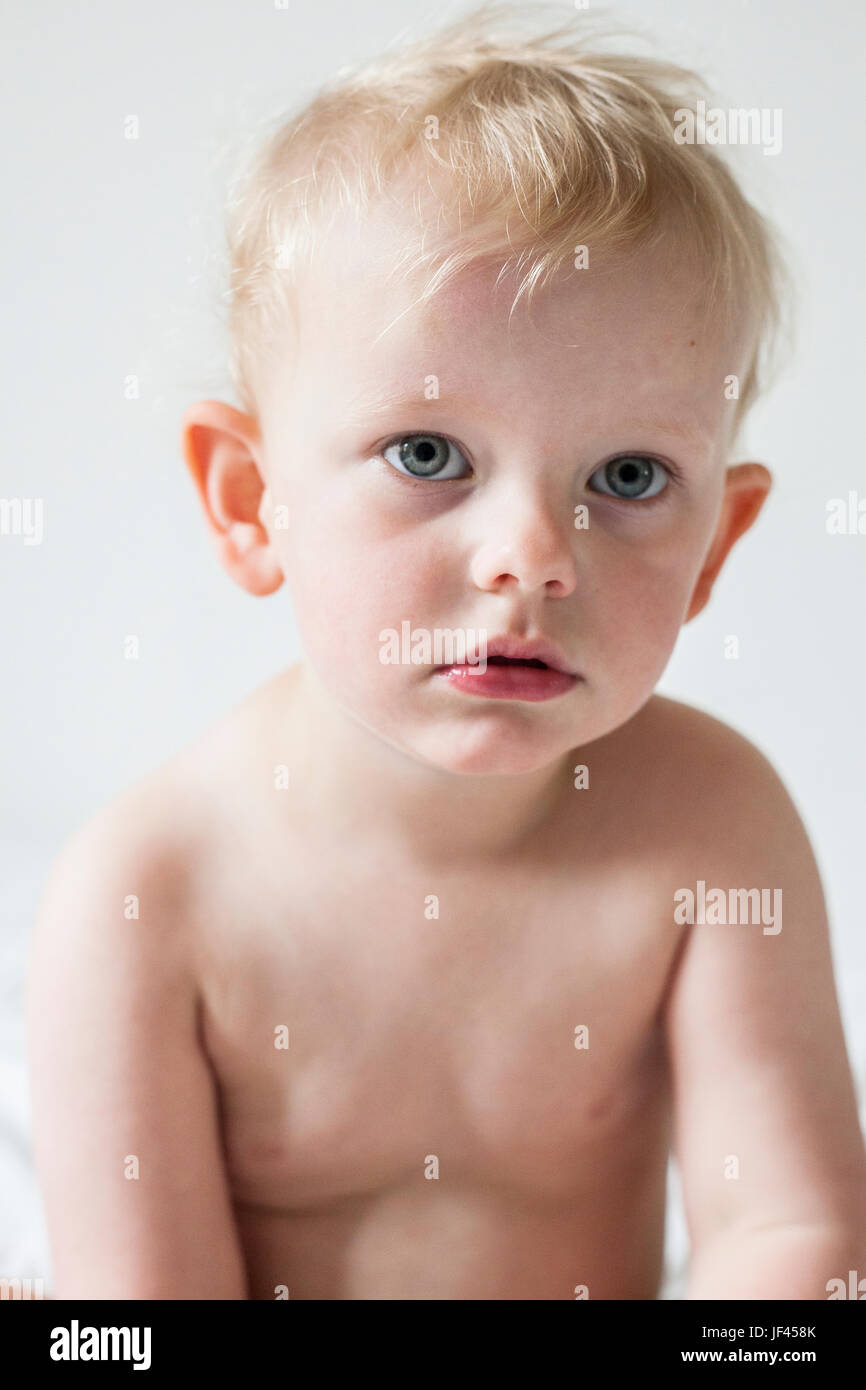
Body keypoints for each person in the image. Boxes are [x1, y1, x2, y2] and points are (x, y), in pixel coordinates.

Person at [27, 2, 866, 1299]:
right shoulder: (145, 896)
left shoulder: (713, 828)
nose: (532, 554)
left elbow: (794, 1237)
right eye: (428, 455)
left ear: (712, 548)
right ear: (252, 503)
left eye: (628, 474)